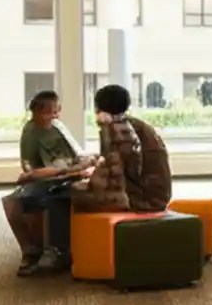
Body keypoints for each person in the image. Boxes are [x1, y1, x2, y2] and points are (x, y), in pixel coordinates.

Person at [4, 91, 95, 276]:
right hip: (50, 176)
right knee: (16, 201)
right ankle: (32, 250)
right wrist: (67, 171)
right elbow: (30, 170)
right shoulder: (31, 133)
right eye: (51, 111)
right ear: (37, 112)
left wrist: (83, 164)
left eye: (57, 110)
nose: (55, 115)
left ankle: (46, 250)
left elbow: (76, 152)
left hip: (71, 173)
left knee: (28, 199)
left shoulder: (57, 126)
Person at [70, 84, 173, 214]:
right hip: (154, 195)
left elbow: (122, 172)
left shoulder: (116, 129)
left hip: (143, 199)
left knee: (67, 197)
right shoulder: (133, 124)